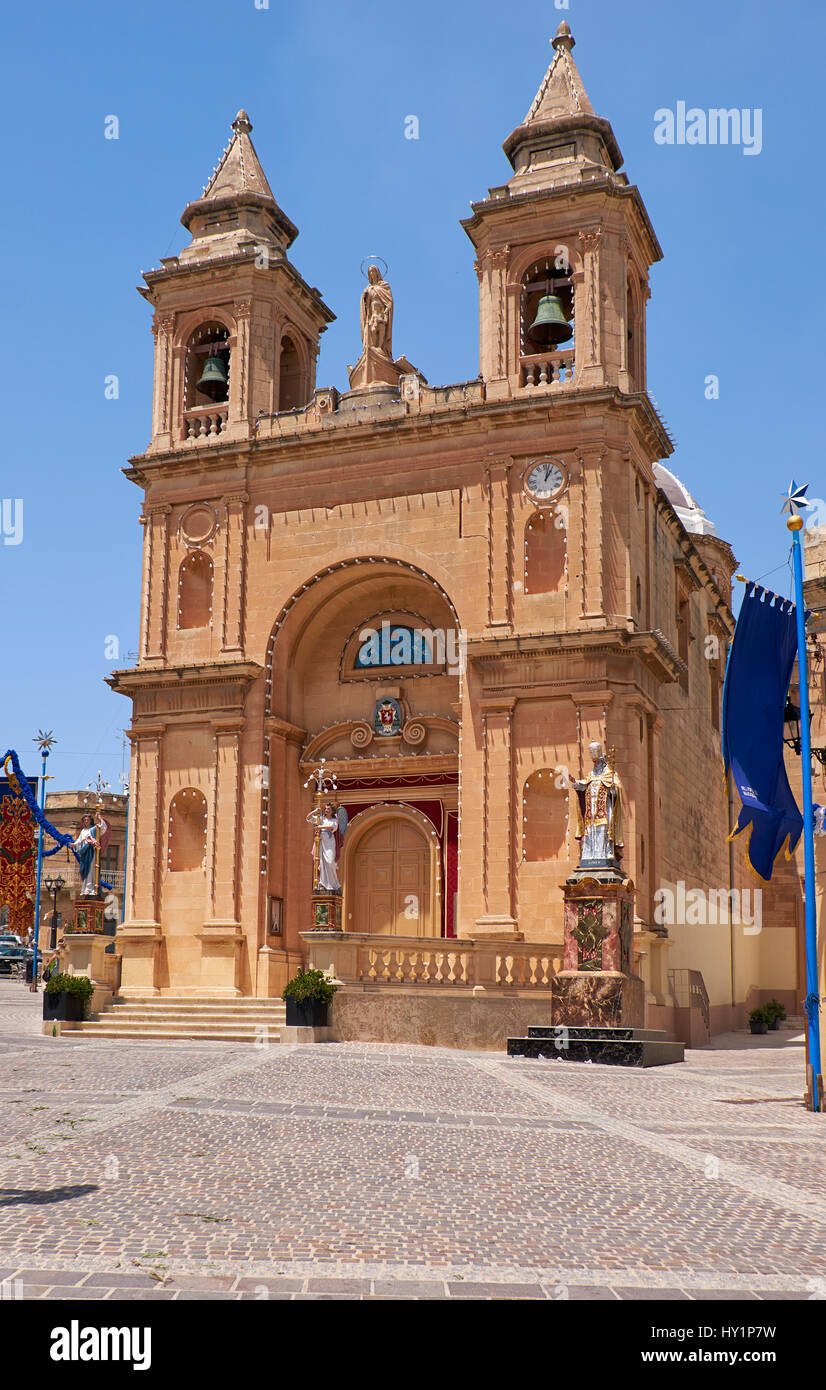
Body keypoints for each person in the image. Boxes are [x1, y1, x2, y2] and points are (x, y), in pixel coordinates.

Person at [306, 802, 342, 892]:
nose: (326, 810)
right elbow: (308, 818)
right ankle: (323, 883)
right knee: (322, 863)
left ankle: (334, 884)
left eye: (328, 809)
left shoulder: (334, 820)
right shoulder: (320, 819)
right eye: (325, 809)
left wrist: (320, 827)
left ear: (332, 811)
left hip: (330, 842)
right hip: (321, 842)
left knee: (330, 862)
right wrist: (314, 811)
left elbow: (332, 827)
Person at [72, 813, 100, 896]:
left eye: (88, 820)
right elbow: (79, 840)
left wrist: (99, 818)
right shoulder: (83, 831)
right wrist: (74, 844)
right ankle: (84, 888)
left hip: (91, 851)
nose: (86, 821)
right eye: (85, 820)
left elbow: (102, 828)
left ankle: (90, 888)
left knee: (90, 869)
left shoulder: (94, 829)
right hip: (84, 851)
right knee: (84, 869)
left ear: (91, 820)